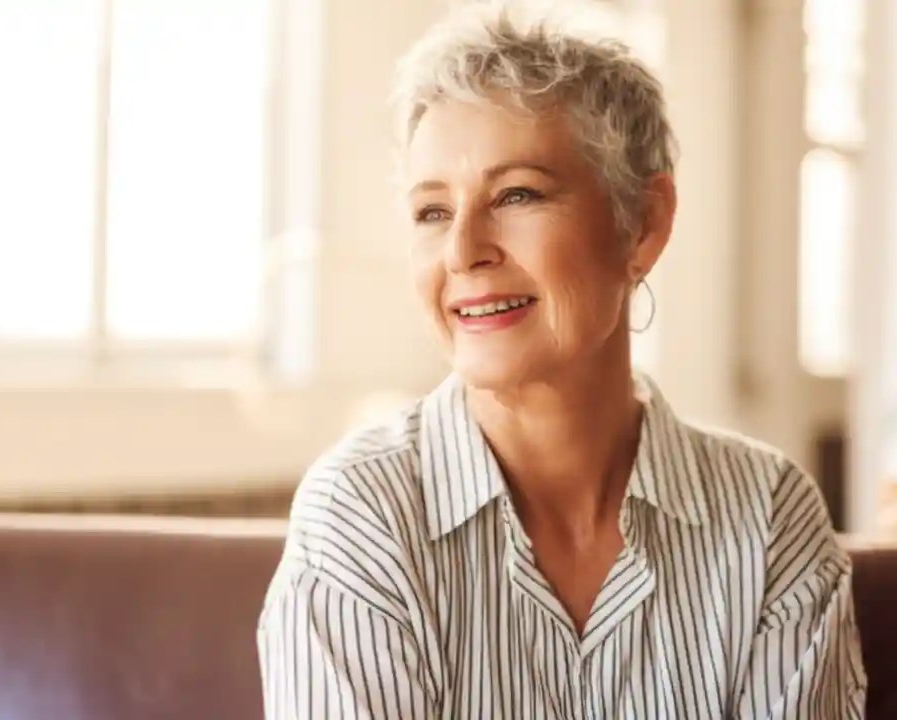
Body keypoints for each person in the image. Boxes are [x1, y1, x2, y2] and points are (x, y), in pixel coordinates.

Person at [258, 3, 866, 718]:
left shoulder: (767, 517)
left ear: (641, 224)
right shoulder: (362, 514)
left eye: (517, 194)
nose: (462, 252)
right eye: (432, 212)